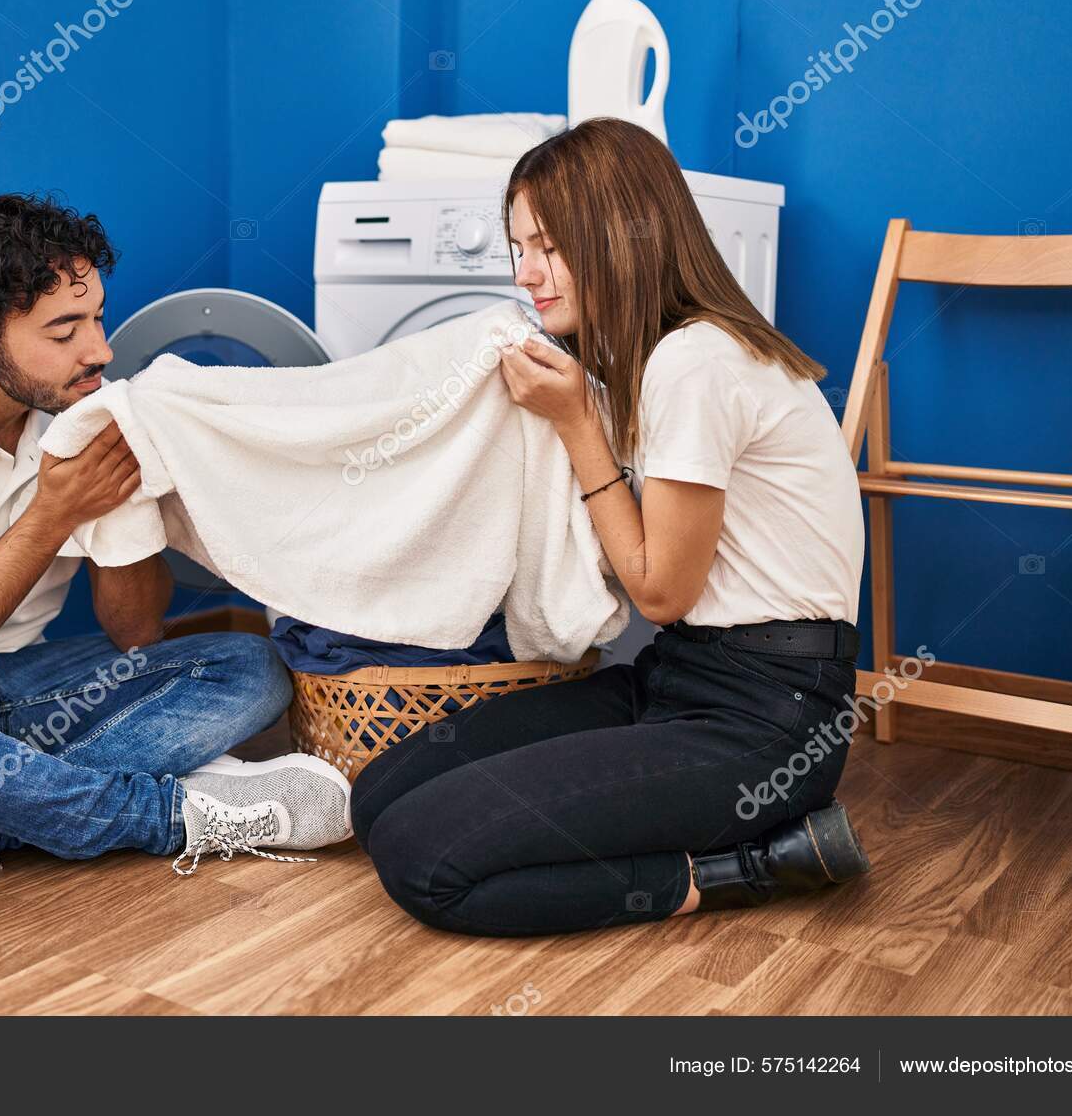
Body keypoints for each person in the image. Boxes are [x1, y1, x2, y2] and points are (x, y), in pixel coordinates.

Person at [353, 119, 871, 937]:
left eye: (548, 245)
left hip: (768, 720)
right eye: (518, 246)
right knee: (376, 794)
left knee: (423, 860)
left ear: (619, 239)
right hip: (677, 679)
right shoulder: (652, 359)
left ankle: (747, 866)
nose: (526, 273)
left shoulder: (696, 362)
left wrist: (576, 424)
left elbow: (663, 589)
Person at [0, 193, 350, 920]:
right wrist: (56, 512)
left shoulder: (84, 411)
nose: (102, 351)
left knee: (251, 668)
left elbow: (136, 632)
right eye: (64, 330)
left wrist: (123, 494)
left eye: (98, 318)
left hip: (32, 695)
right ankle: (173, 815)